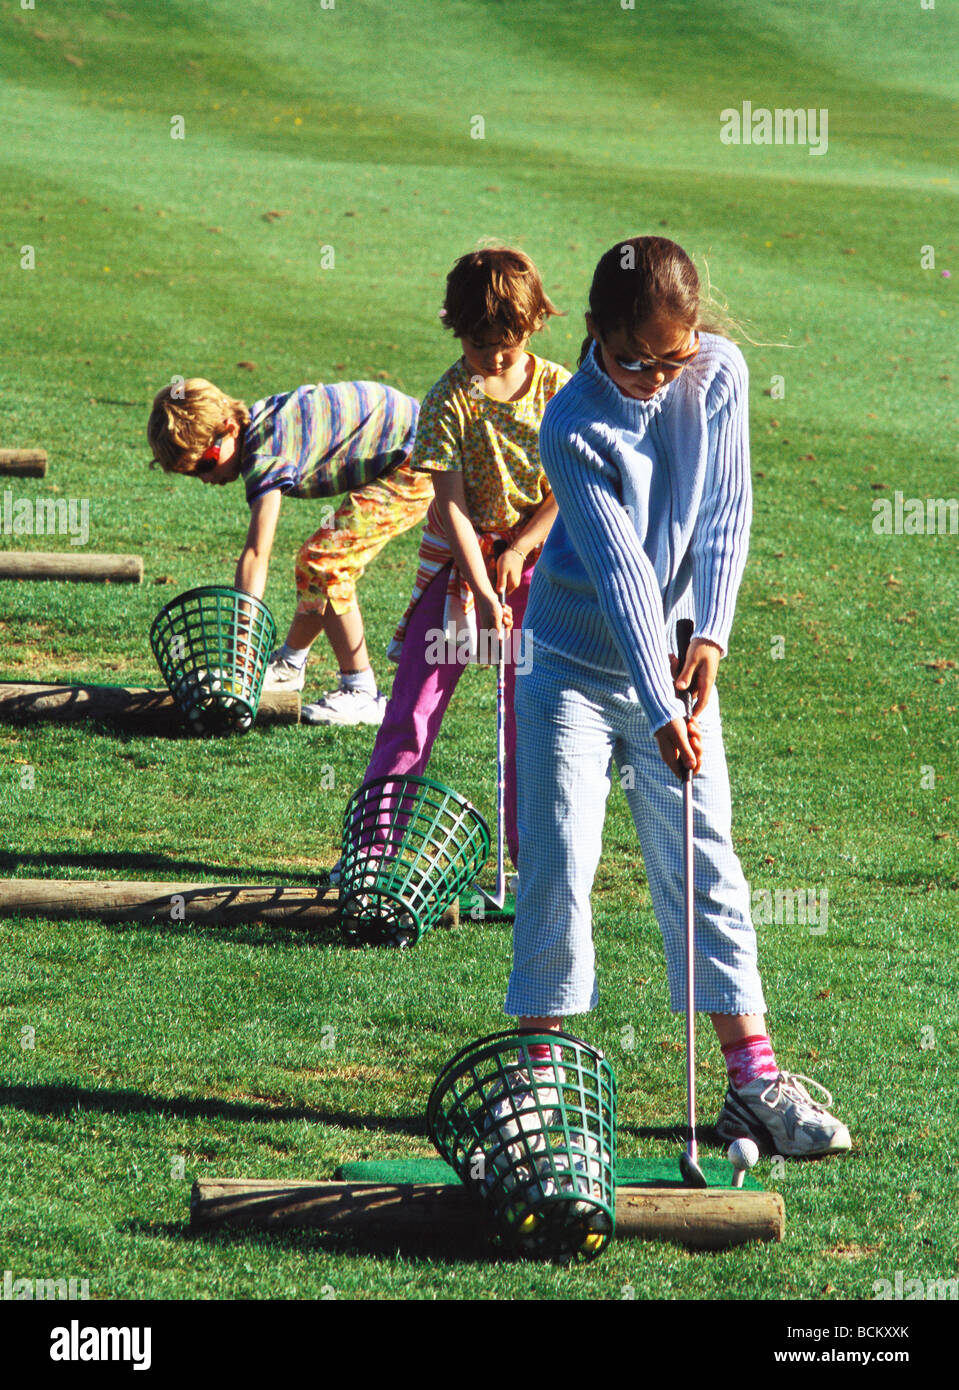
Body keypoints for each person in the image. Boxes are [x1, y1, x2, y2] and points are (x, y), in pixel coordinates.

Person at [504, 237, 850, 1158]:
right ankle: (541, 1084)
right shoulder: (572, 422)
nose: (656, 378)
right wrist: (659, 710)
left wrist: (710, 638)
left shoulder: (719, 374)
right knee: (560, 865)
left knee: (705, 863)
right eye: (633, 359)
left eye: (673, 355)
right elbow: (619, 574)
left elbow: (726, 512)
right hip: (572, 669)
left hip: (674, 657)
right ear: (593, 335)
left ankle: (753, 1086)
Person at [354, 246, 570, 872]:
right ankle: (372, 851)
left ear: (531, 328)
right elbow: (448, 505)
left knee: (526, 717)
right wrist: (479, 582)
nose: (495, 360)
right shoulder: (448, 398)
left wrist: (523, 547)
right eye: (480, 348)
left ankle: (531, 860)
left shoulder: (561, 391)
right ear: (456, 330)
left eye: (507, 346)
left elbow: (571, 487)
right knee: (411, 714)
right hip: (457, 574)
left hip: (540, 572)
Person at [146, 378, 431, 725]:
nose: (204, 478)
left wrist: (241, 650)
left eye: (205, 464)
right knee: (314, 563)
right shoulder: (260, 423)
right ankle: (289, 666)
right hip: (404, 442)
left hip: (416, 458)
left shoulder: (266, 453)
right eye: (190, 474)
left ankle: (362, 691)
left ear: (229, 428)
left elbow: (256, 553)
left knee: (325, 561)